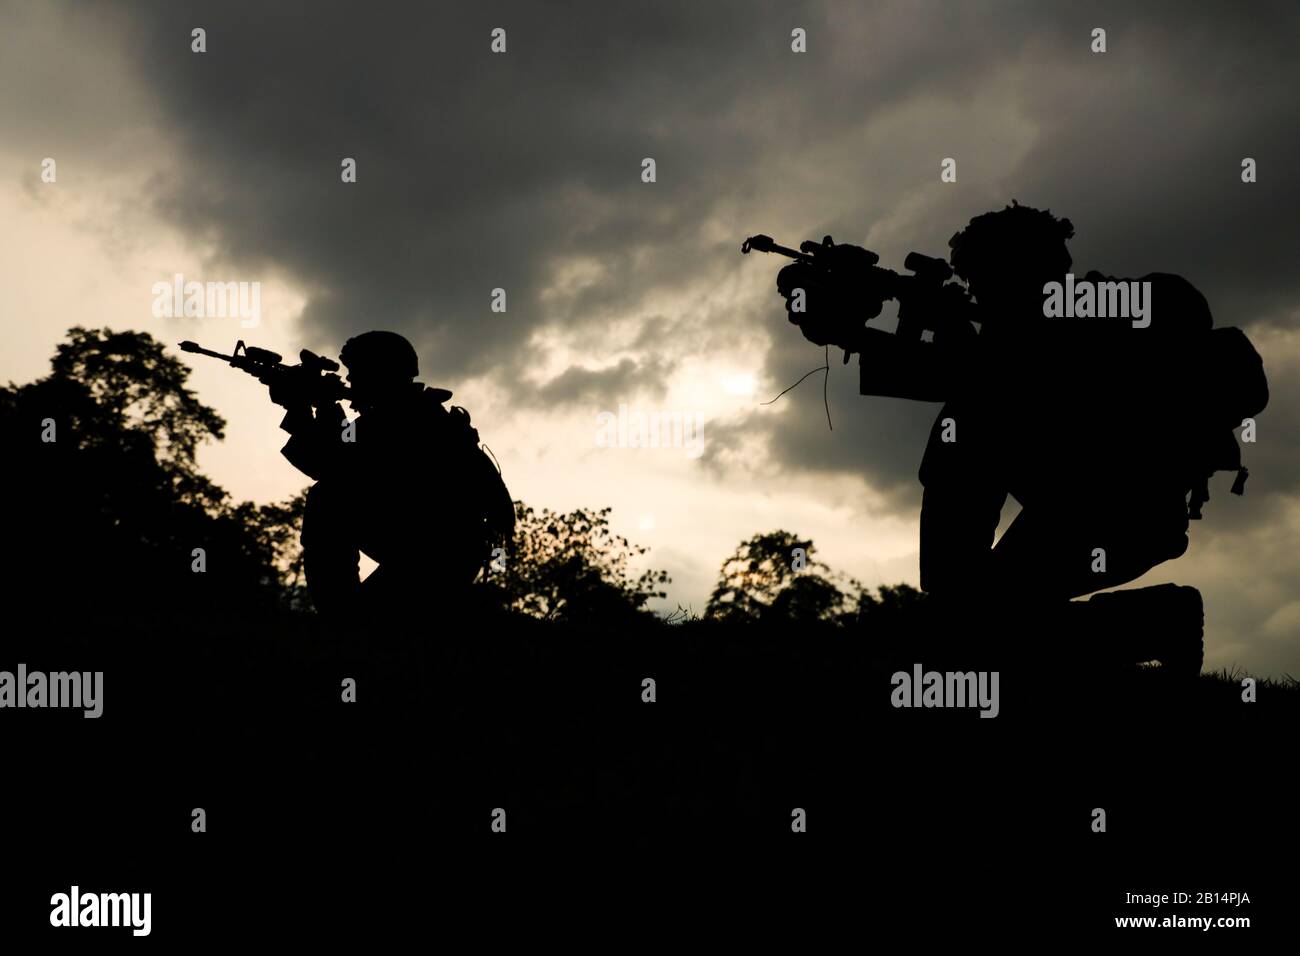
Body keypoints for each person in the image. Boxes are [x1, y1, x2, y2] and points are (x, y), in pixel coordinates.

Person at [776, 203, 1267, 674]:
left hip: (1122, 518)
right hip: (1078, 511)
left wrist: (1023, 320)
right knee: (965, 625)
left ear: (1029, 271)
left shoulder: (1110, 312)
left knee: (971, 626)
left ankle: (1149, 624)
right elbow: (967, 378)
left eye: (986, 281)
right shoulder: (1013, 347)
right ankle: (1153, 622)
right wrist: (855, 334)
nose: (980, 296)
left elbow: (1179, 310)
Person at [270, 330, 514, 626]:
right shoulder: (405, 411)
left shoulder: (405, 417)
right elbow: (343, 457)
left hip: (437, 554)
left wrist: (308, 406)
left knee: (326, 499)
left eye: (356, 373)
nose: (350, 382)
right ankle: (346, 620)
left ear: (379, 374)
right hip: (431, 547)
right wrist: (316, 406)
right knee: (373, 620)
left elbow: (330, 465)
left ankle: (339, 620)